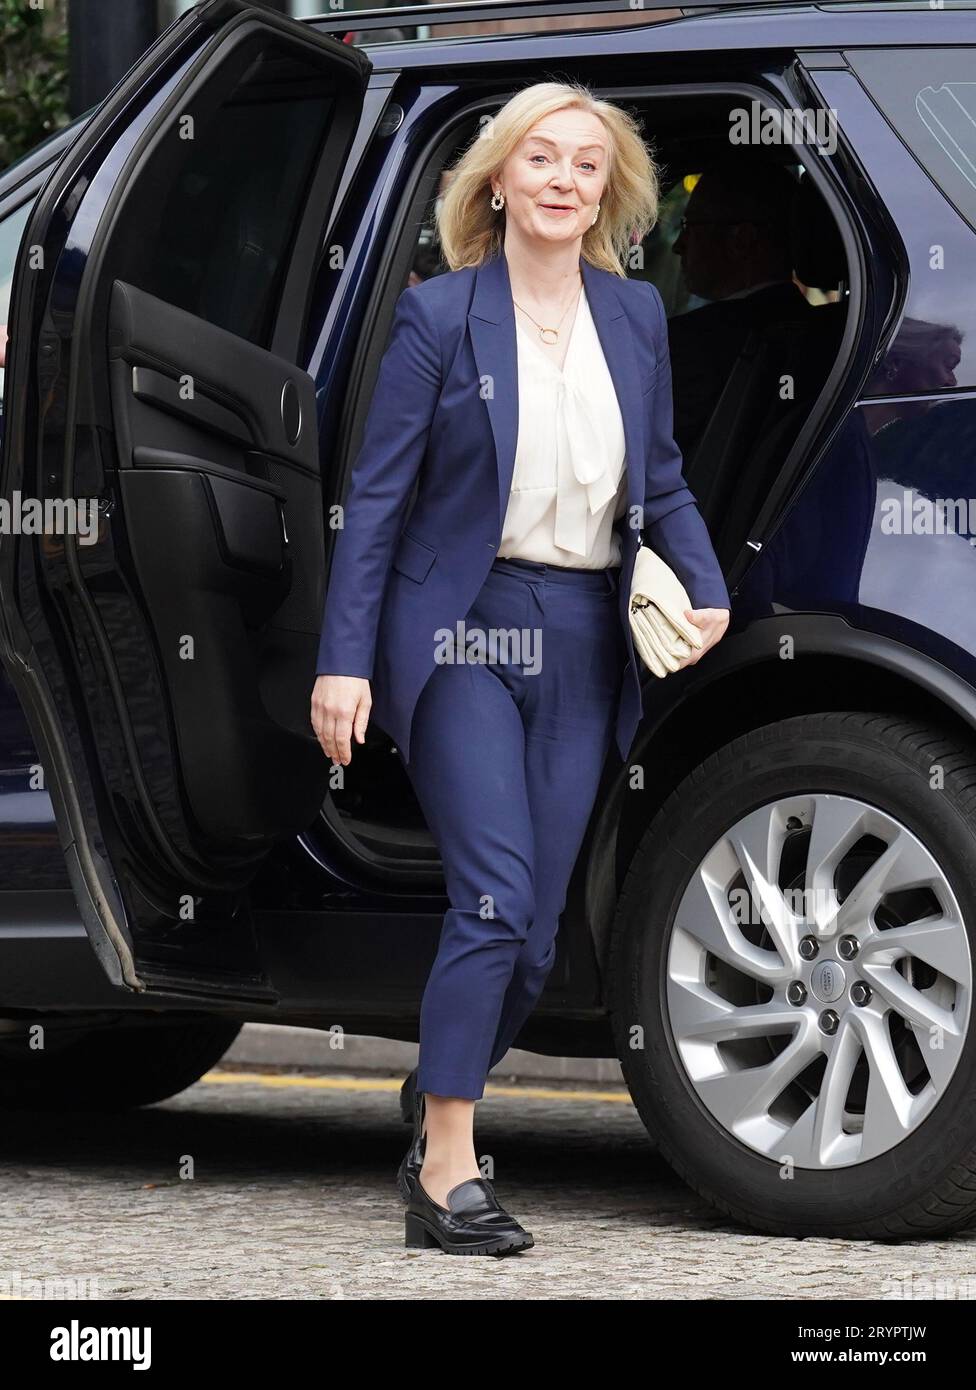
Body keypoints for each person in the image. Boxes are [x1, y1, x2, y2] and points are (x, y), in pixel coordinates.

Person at [310, 81, 731, 1255]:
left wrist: (704, 586)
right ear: (497, 178)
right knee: (492, 891)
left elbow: (665, 475)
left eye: (584, 165)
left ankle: (441, 1082)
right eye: (538, 158)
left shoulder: (636, 317)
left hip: (586, 631)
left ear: (610, 194)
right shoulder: (439, 317)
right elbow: (378, 504)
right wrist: (344, 664)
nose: (560, 179)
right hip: (462, 631)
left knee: (539, 933)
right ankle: (447, 1167)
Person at [666, 155, 812, 461]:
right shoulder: (827, 334)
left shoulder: (689, 344)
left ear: (741, 239)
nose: (678, 245)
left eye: (689, 227)